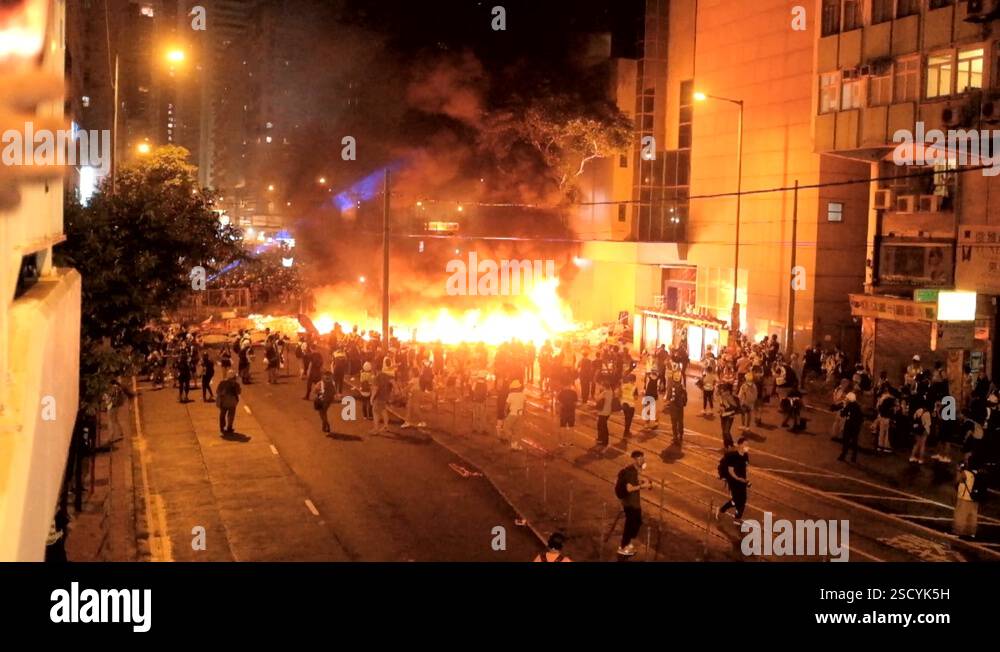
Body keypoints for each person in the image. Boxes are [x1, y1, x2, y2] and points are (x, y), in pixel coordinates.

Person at [615, 451, 651, 557]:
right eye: (639, 458)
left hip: (634, 503)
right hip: (630, 503)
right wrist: (642, 486)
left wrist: (642, 483)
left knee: (637, 522)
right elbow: (629, 488)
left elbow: (633, 483)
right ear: (634, 459)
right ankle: (623, 546)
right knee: (630, 525)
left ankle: (627, 542)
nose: (642, 460)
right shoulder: (631, 472)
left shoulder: (634, 471)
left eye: (642, 458)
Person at [716, 437, 750, 524]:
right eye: (745, 444)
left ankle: (737, 517)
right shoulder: (732, 456)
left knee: (743, 499)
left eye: (747, 445)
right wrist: (739, 479)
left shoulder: (745, 455)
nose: (747, 447)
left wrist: (747, 479)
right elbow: (731, 470)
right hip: (733, 481)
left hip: (742, 480)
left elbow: (746, 468)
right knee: (736, 500)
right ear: (739, 445)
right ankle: (722, 510)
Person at [953, 463, 982, 539]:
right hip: (975, 498)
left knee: (960, 515)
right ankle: (971, 532)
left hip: (965, 497)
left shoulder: (966, 473)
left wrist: (958, 470)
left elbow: (957, 480)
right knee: (972, 516)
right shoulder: (979, 473)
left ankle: (958, 531)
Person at [837, 392, 863, 463]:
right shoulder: (857, 406)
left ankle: (843, 455)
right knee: (854, 442)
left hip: (849, 426)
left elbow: (842, 414)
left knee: (846, 441)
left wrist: (844, 407)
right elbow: (861, 418)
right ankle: (853, 457)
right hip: (856, 427)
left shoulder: (849, 406)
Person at [216, 370, 241, 435]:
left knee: (222, 415)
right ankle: (229, 427)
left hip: (224, 401)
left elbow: (218, 391)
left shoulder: (222, 382)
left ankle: (222, 427)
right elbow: (239, 392)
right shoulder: (236, 384)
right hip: (232, 402)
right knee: (231, 415)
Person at [504, 379, 526, 450]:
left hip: (512, 414)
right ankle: (515, 445)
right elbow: (525, 405)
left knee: (506, 427)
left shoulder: (511, 395)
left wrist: (505, 413)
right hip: (520, 414)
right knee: (518, 430)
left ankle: (512, 440)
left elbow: (506, 406)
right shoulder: (523, 395)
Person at [371, 364, 393, 434]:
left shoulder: (376, 378)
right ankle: (386, 426)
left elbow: (375, 389)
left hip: (378, 398)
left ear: (375, 369)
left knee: (375, 412)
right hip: (385, 397)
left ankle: (376, 429)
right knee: (383, 410)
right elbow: (393, 381)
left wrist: (372, 398)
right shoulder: (386, 376)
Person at [666, 371, 687, 444]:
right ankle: (680, 435)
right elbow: (685, 396)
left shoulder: (672, 386)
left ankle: (675, 437)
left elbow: (669, 396)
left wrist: (668, 401)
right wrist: (683, 403)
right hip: (680, 406)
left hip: (673, 406)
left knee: (674, 422)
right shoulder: (682, 386)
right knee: (680, 421)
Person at [556, 381, 577, 447]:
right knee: (571, 427)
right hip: (571, 412)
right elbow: (575, 403)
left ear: (564, 386)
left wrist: (558, 411)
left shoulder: (561, 393)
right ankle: (570, 442)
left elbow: (559, 402)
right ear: (570, 385)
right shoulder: (574, 393)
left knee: (562, 427)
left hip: (564, 411)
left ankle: (562, 443)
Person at [595, 381, 613, 448]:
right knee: (603, 426)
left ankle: (603, 440)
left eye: (601, 385)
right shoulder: (611, 392)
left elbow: (597, 399)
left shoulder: (604, 392)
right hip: (608, 412)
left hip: (603, 412)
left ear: (604, 386)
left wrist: (598, 391)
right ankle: (603, 439)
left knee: (601, 426)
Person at [620, 372, 637, 439]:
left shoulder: (624, 386)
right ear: (634, 380)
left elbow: (620, 394)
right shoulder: (634, 387)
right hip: (631, 405)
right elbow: (636, 397)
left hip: (624, 404)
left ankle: (626, 432)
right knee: (629, 419)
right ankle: (626, 432)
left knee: (626, 418)